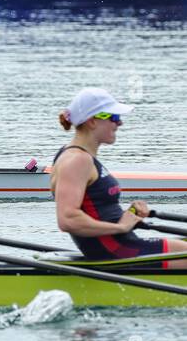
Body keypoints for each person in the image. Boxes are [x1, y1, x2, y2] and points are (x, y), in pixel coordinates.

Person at [50, 88, 186, 268]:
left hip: (122, 244)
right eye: (114, 117)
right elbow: (68, 220)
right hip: (119, 251)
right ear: (92, 121)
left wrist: (129, 215)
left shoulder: (74, 155)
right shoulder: (77, 160)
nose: (120, 123)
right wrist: (120, 227)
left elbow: (95, 209)